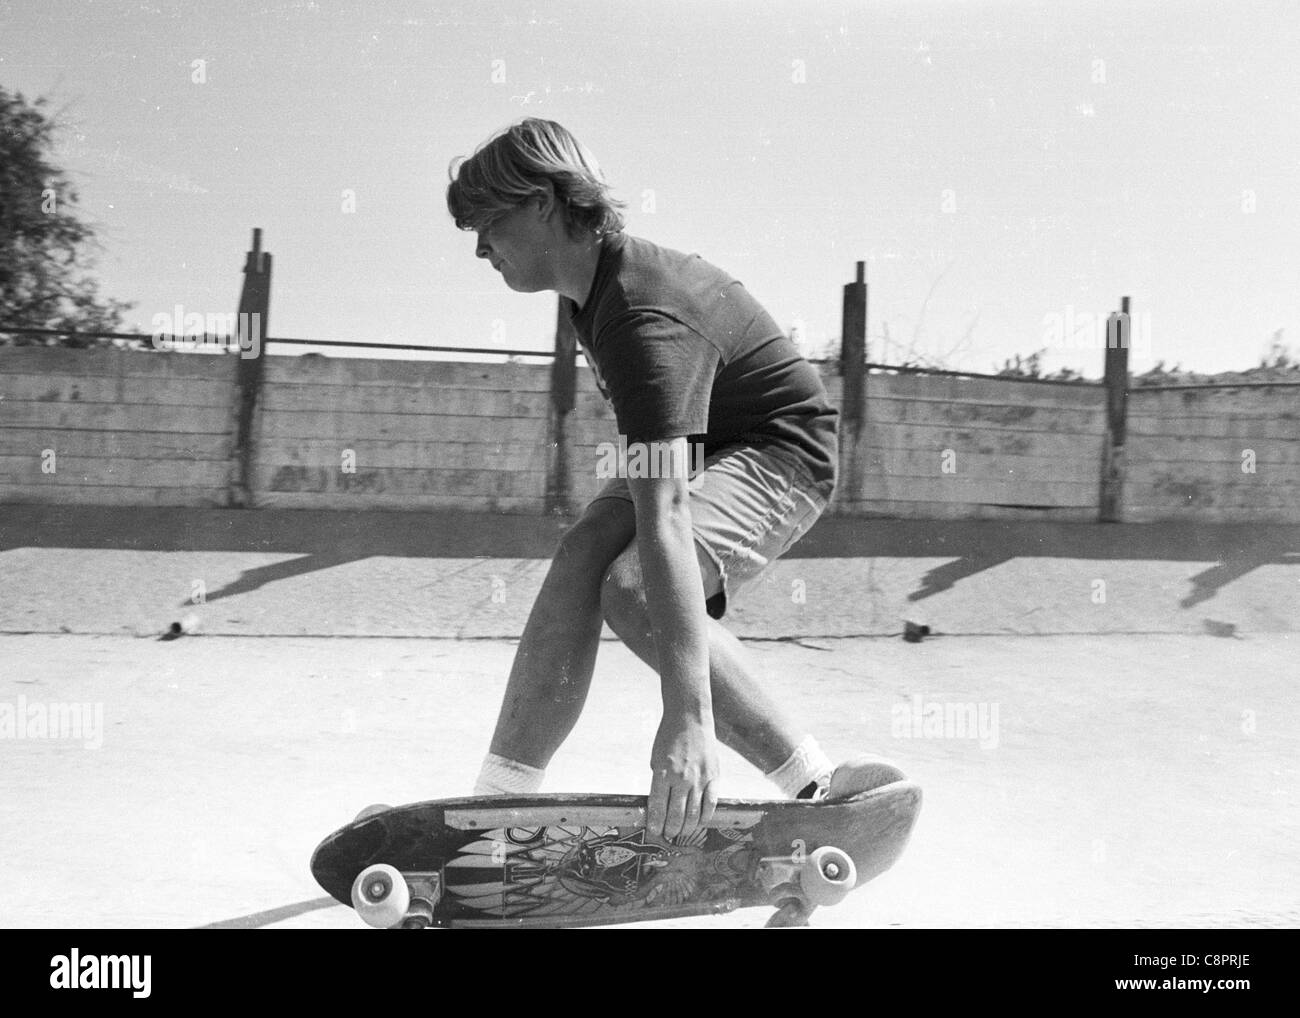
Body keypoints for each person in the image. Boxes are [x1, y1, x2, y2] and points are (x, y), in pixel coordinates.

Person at [447, 118, 889, 843]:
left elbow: (668, 517)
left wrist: (688, 720)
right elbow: (661, 476)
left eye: (486, 223)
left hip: (780, 448)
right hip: (711, 439)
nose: (479, 247)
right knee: (586, 548)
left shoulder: (641, 314)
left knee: (634, 586)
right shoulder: (587, 295)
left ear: (541, 202)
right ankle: (496, 805)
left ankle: (817, 796)